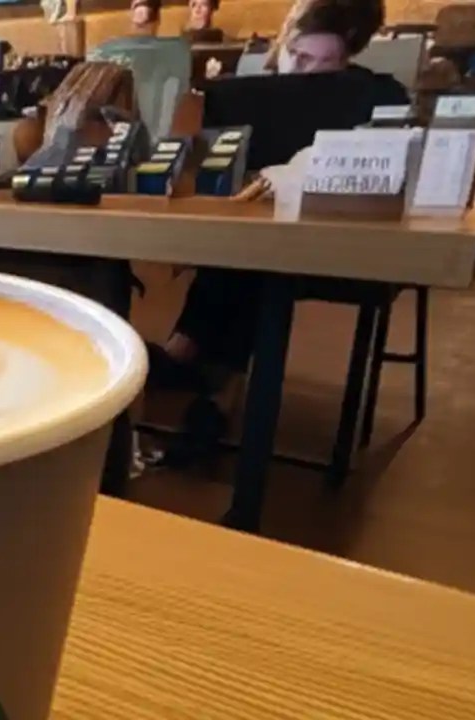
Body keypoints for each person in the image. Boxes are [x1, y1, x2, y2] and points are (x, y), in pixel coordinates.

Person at [154, 0, 406, 462]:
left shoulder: (374, 95)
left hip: (337, 239)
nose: (307, 73)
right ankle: (203, 374)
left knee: (254, 256)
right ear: (283, 48)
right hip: (259, 230)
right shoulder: (245, 96)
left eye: (325, 64)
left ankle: (204, 379)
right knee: (245, 243)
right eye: (300, 58)